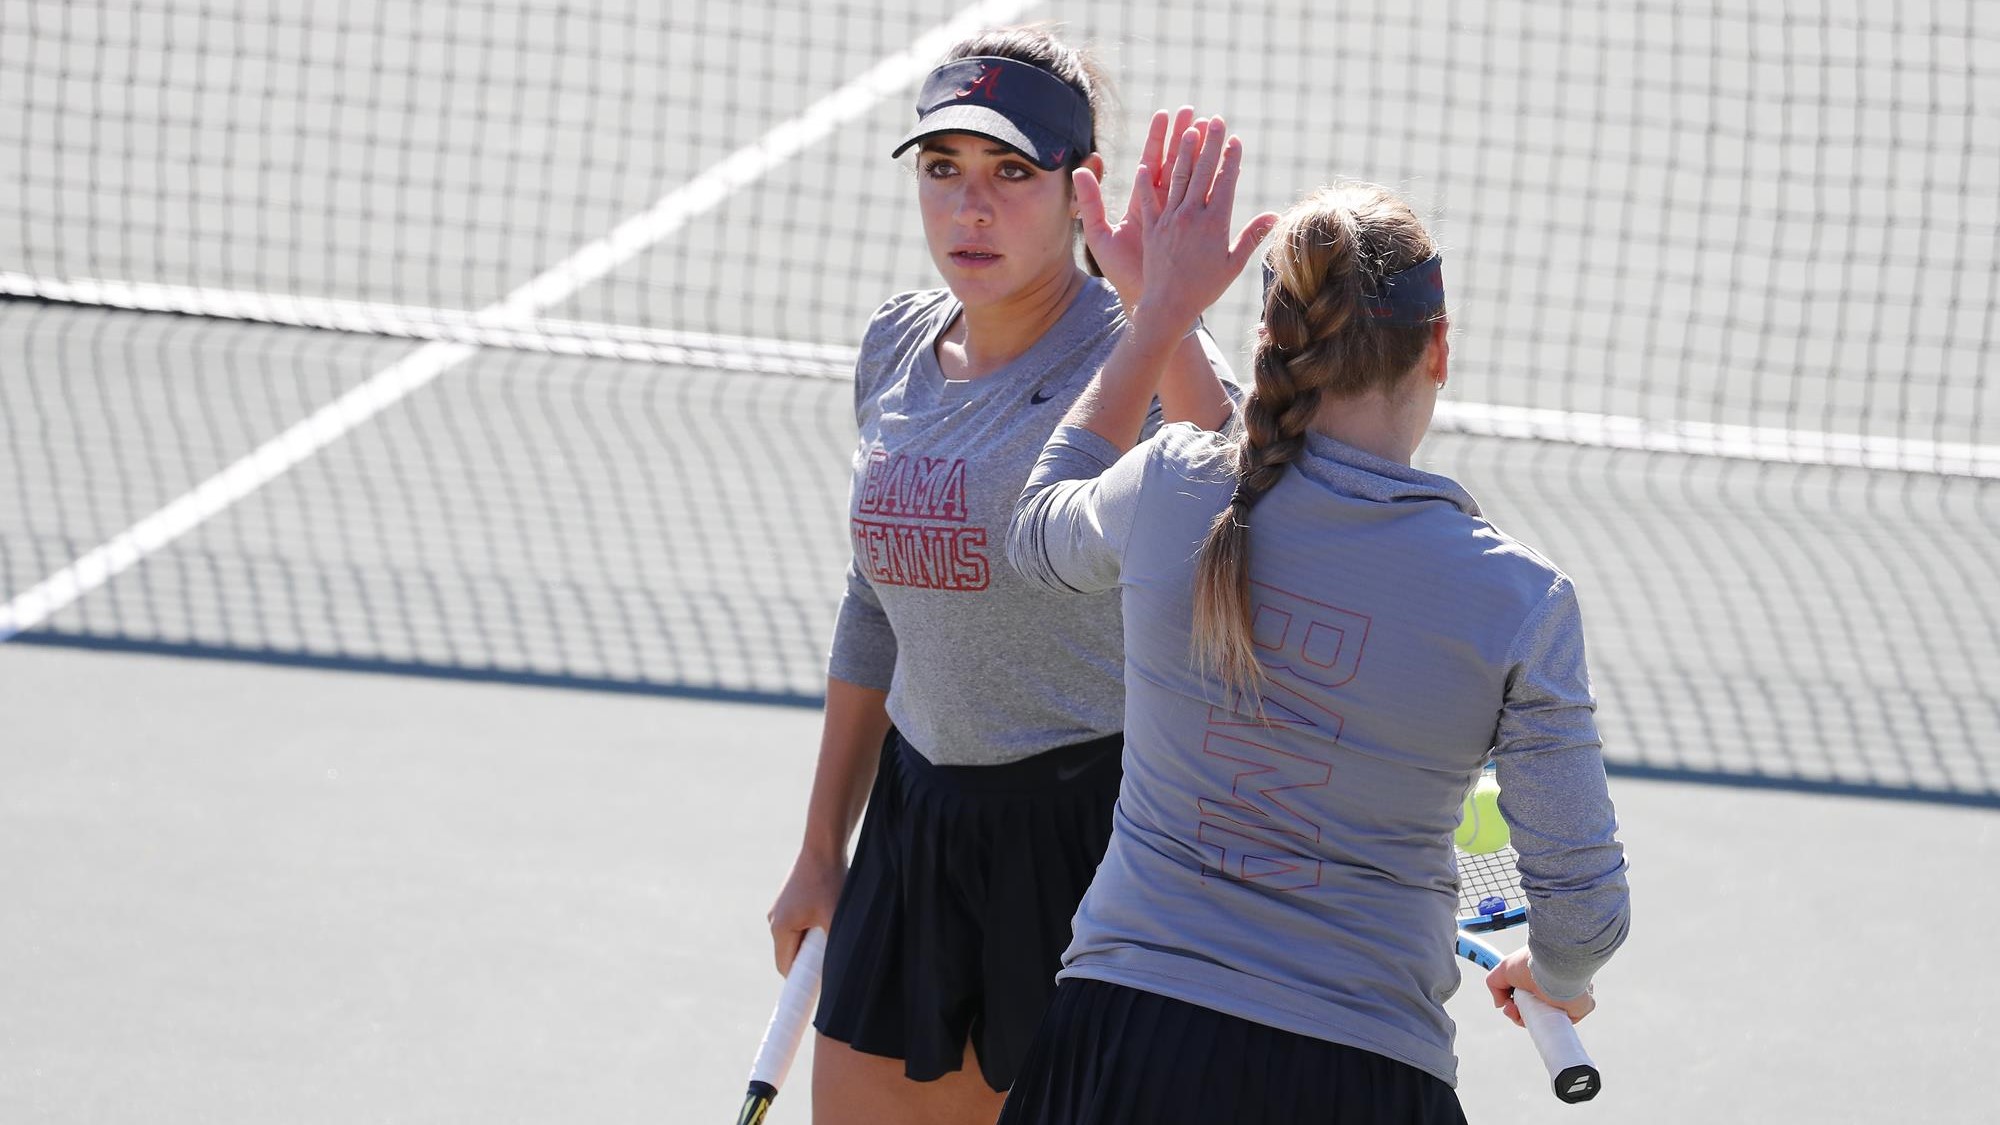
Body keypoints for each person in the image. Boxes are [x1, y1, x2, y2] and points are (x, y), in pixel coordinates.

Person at [999, 124, 1631, 1123]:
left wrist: (1154, 316)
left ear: (1272, 343)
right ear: (1439, 347)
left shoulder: (1172, 490)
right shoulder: (1515, 601)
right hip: (1359, 1078)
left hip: (1120, 1049)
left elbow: (1037, 536)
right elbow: (1584, 910)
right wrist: (1553, 971)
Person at [763, 27, 1241, 1125]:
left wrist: (1165, 308)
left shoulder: (1134, 343)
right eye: (944, 171)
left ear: (1082, 194)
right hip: (913, 826)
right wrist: (818, 850)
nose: (968, 209)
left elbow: (1240, 480)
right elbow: (871, 608)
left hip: (1090, 840)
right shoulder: (895, 343)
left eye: (1010, 175)